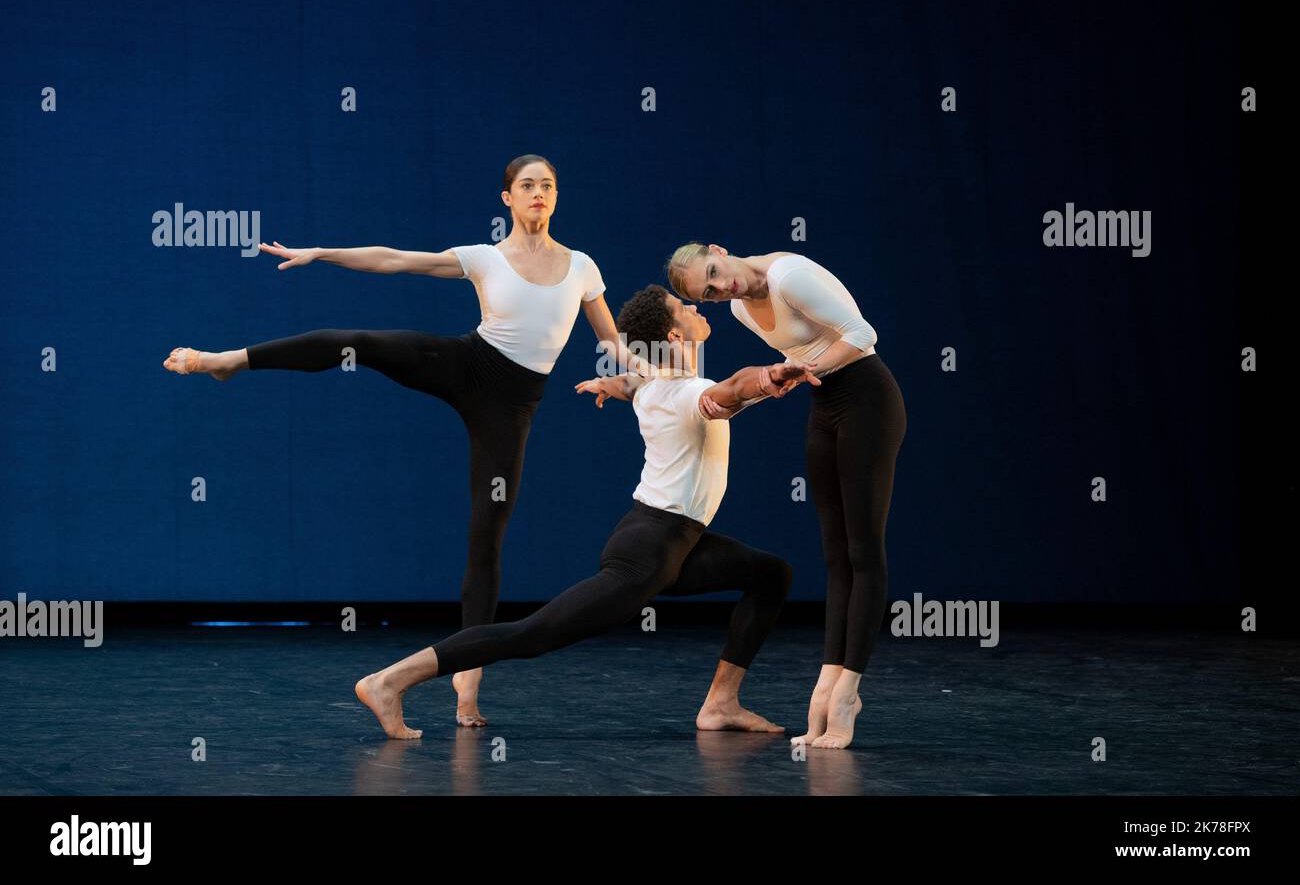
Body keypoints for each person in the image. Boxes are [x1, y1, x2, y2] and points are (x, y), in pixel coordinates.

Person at [162, 155, 646, 727]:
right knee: (359, 341)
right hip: (466, 364)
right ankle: (229, 361)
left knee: (487, 537)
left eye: (547, 186)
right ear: (507, 199)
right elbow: (394, 259)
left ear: (556, 197)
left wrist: (650, 373)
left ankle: (467, 685)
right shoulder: (485, 257)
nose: (538, 193)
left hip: (512, 406)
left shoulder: (583, 267)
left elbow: (612, 341)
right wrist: (321, 253)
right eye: (526, 186)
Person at [353, 285, 819, 739]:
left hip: (671, 540)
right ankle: (388, 681)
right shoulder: (685, 393)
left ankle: (720, 704)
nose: (698, 309)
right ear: (675, 337)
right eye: (684, 307)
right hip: (649, 553)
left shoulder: (655, 382)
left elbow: (633, 382)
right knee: (531, 634)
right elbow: (729, 390)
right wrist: (771, 376)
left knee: (770, 574)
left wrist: (607, 383)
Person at [666, 243, 906, 749]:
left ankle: (848, 693)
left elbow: (863, 335)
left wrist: (799, 369)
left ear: (720, 252)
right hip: (826, 404)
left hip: (868, 398)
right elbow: (795, 365)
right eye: (706, 293)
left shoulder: (788, 277)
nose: (720, 288)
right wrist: (738, 403)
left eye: (714, 273)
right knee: (835, 555)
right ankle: (826, 682)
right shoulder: (739, 309)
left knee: (864, 552)